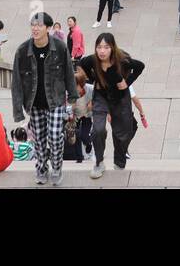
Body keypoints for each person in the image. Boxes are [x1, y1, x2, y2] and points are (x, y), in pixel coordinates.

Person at [10, 13, 78, 186]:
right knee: (39, 139)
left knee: (55, 136)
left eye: (39, 25)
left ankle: (56, 166)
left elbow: (69, 73)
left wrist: (72, 96)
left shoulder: (60, 48)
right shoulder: (23, 50)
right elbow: (16, 82)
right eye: (33, 25)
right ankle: (41, 168)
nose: (35, 28)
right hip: (34, 104)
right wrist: (18, 110)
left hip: (55, 100)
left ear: (48, 28)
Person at [79, 33, 144, 178]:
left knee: (123, 133)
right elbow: (80, 65)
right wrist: (92, 78)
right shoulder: (92, 60)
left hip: (120, 98)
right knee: (98, 130)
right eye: (99, 47)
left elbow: (140, 66)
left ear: (112, 48)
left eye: (106, 47)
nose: (102, 51)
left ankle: (119, 159)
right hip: (101, 96)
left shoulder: (122, 60)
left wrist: (127, 82)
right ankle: (99, 163)